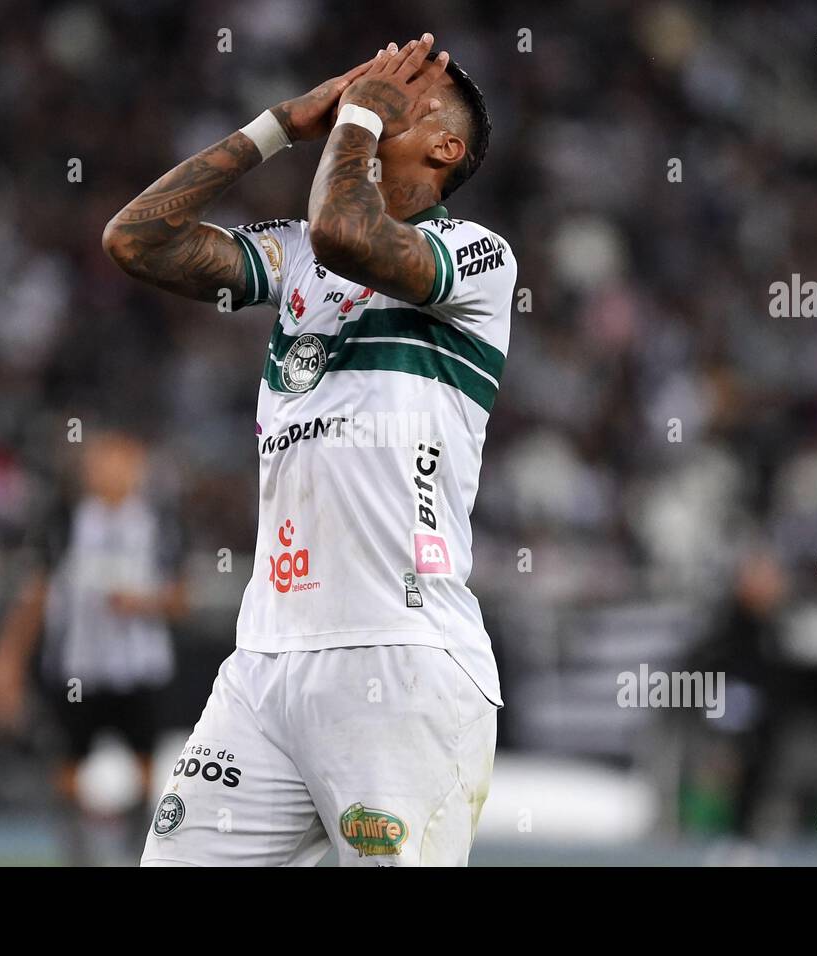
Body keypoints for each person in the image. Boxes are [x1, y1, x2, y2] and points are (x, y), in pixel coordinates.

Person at [103, 34, 516, 866]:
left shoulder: (476, 258)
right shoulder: (295, 251)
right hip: (264, 663)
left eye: (407, 89)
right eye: (375, 79)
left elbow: (345, 234)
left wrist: (359, 113)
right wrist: (281, 125)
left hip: (400, 660)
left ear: (447, 147)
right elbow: (134, 240)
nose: (378, 89)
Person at [0, 431, 187, 863]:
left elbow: (180, 597)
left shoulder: (158, 522)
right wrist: (8, 657)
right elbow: (36, 592)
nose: (106, 471)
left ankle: (142, 851)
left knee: (146, 767)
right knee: (69, 767)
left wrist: (142, 603)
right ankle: (78, 855)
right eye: (98, 461)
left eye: (118, 461)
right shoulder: (65, 521)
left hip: (139, 668)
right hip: (79, 666)